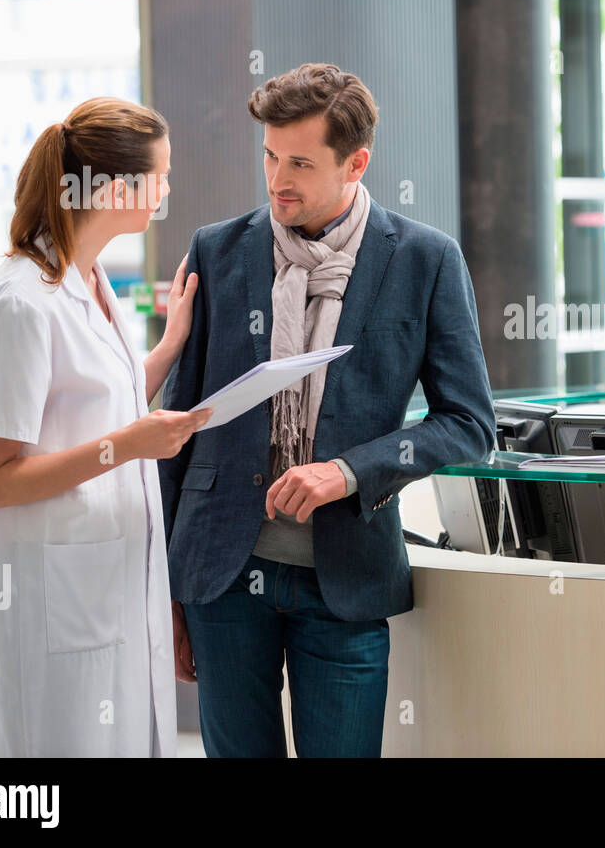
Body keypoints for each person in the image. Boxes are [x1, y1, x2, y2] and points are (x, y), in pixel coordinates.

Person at [159, 63, 495, 758]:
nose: (277, 177)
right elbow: (178, 425)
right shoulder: (216, 250)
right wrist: (165, 588)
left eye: (301, 162)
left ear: (356, 162)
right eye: (270, 156)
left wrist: (346, 471)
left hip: (347, 577)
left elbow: (468, 422)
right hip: (222, 578)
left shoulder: (426, 260)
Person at [0, 97, 211, 756]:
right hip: (54, 609)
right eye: (165, 173)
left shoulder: (93, 281)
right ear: (123, 188)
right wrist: (128, 446)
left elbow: (100, 404)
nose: (170, 187)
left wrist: (168, 347)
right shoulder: (21, 302)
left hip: (110, 586)